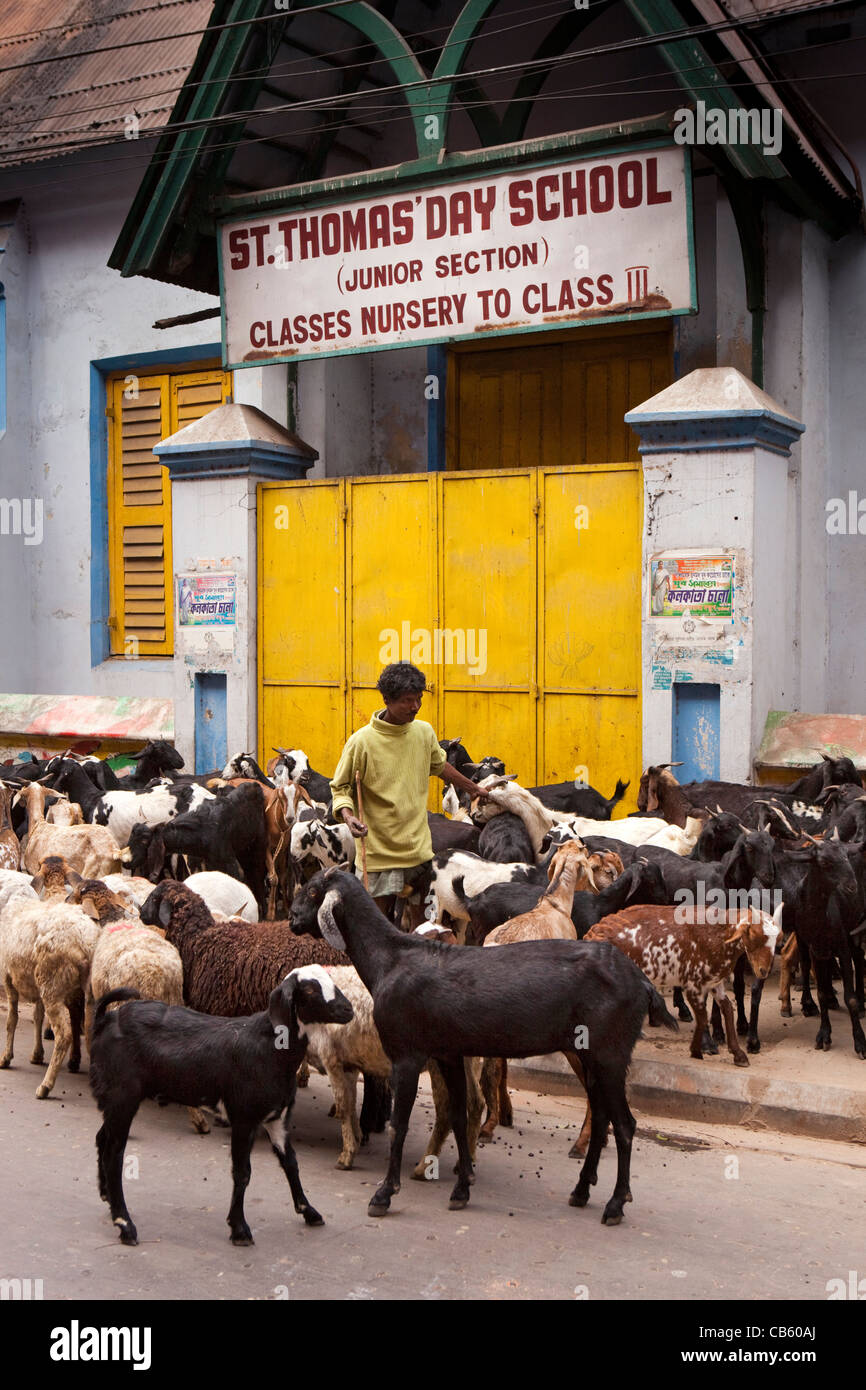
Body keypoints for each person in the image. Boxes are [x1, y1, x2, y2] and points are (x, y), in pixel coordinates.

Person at [330, 661, 491, 921]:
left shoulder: (423, 732)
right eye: (407, 700)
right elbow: (341, 788)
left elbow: (439, 766)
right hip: (378, 854)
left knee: (423, 926)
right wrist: (348, 817)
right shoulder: (361, 742)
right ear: (387, 700)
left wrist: (473, 788)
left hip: (418, 852)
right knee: (378, 925)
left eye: (418, 699)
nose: (415, 707)